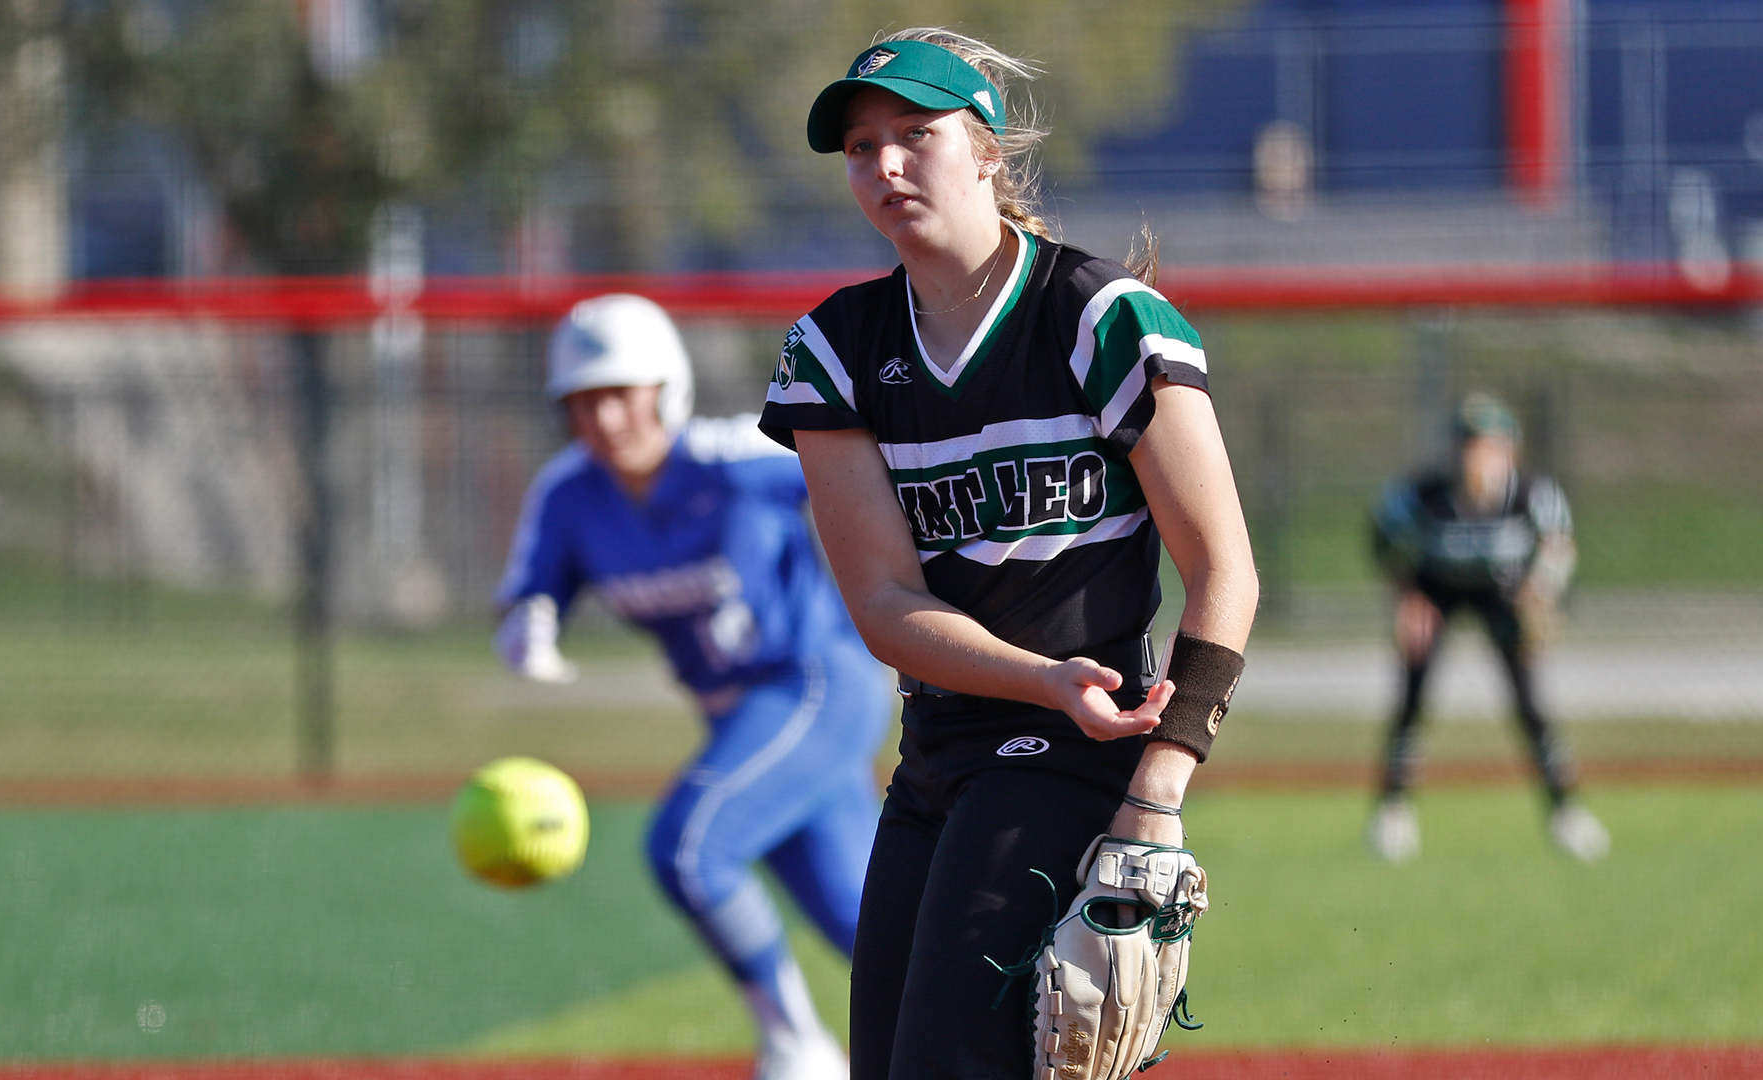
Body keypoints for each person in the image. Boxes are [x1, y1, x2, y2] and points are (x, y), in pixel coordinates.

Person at [759, 29, 1257, 1080]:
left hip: (1079, 746)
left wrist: (1156, 793)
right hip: (939, 747)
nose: (885, 165)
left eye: (915, 135)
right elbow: (886, 602)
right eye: (859, 147)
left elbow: (1225, 573)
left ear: (987, 150)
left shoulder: (1098, 318)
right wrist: (1034, 677)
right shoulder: (837, 347)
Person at [495, 294, 890, 1080]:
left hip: (819, 686)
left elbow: (867, 463)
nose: (603, 418)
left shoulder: (732, 457)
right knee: (882, 936)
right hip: (744, 723)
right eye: (582, 400)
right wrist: (530, 624)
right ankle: (1021, 1049)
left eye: (619, 393)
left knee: (689, 846)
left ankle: (794, 1044)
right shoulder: (570, 494)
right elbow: (532, 586)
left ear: (664, 388)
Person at [1367, 391, 1609, 863]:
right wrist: (1408, 596)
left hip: (1503, 592)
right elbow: (1383, 537)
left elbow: (1558, 544)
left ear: (1509, 451)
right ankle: (1392, 812)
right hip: (1436, 587)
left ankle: (1566, 811)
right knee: (1413, 696)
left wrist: (1540, 594)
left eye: (1488, 445)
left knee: (1529, 702)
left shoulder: (1532, 493)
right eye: (1468, 444)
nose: (1476, 456)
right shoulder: (1423, 495)